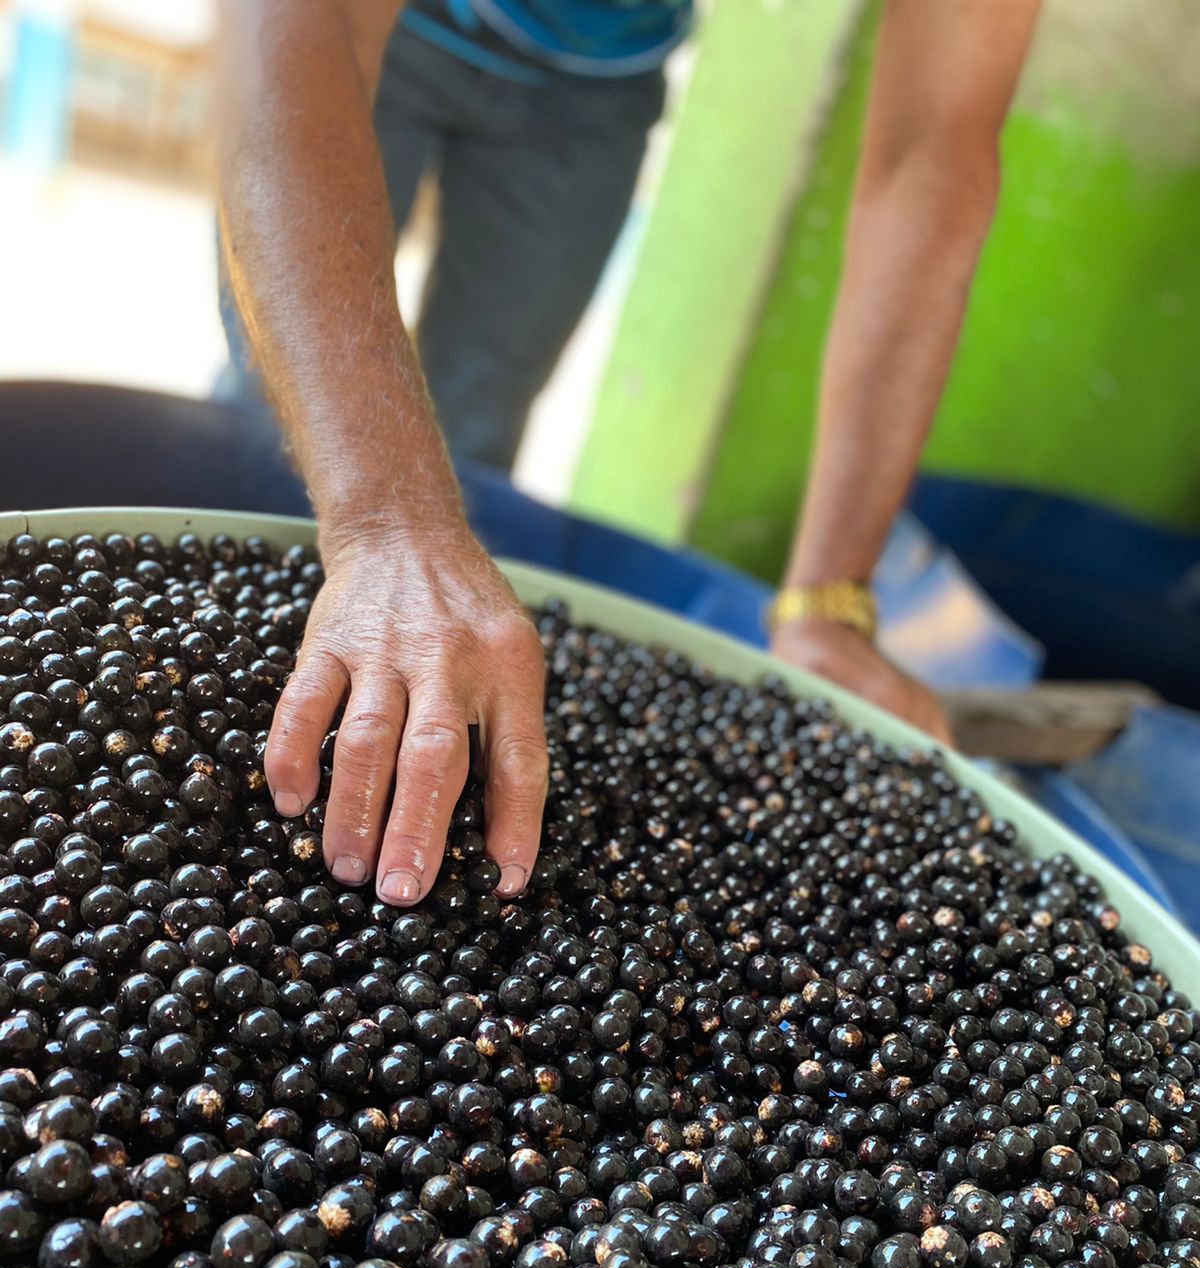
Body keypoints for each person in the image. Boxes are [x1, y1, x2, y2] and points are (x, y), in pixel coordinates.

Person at [217, 0, 1041, 910]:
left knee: (470, 447)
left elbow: (933, 153)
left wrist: (826, 605)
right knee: (277, 453)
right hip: (375, 30)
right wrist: (384, 520)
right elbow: (289, 27)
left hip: (593, 80)